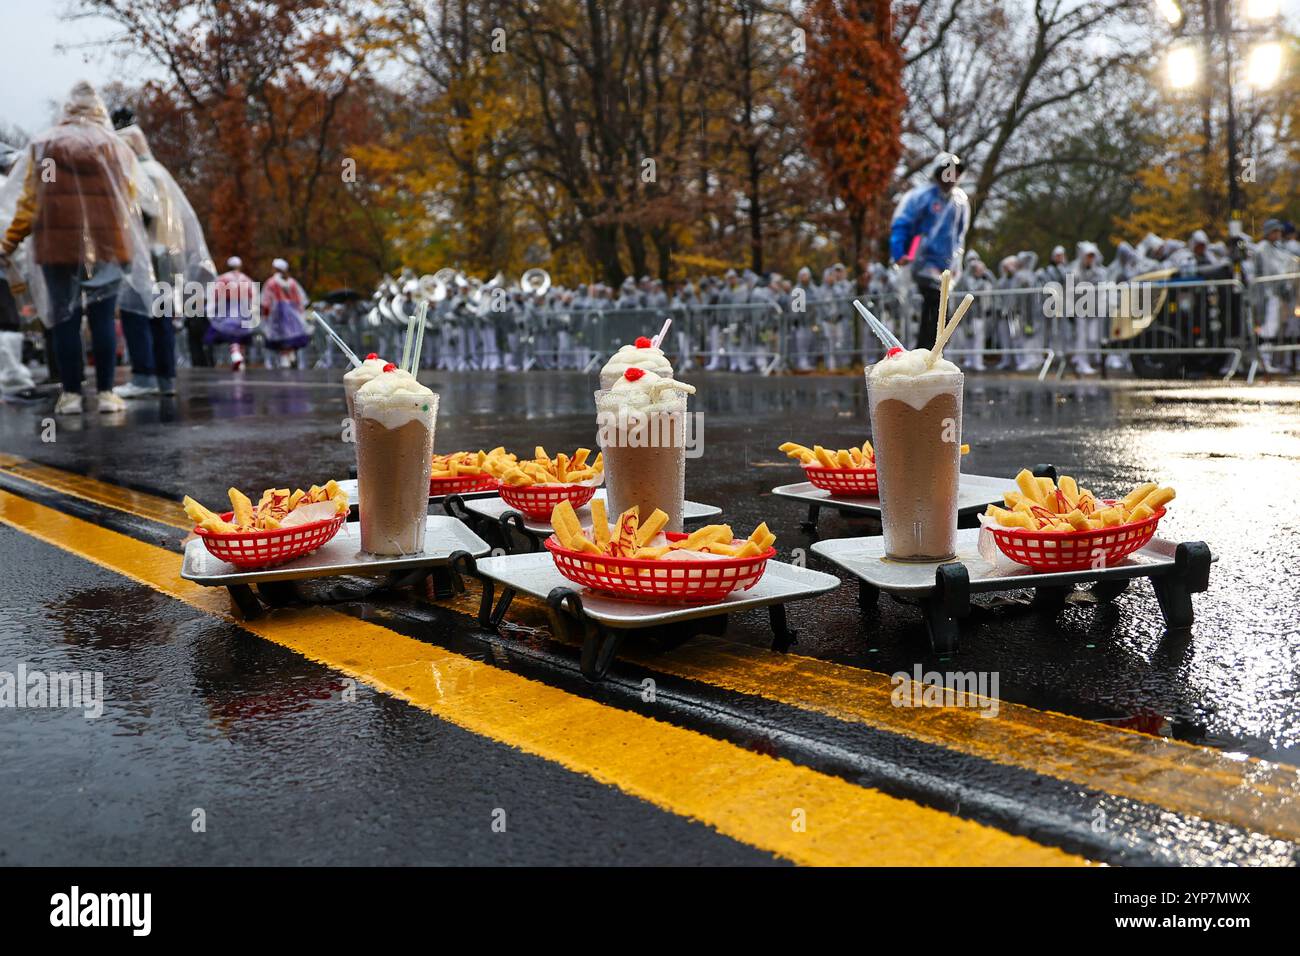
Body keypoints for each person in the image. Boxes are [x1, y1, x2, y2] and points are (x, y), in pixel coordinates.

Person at [0, 81, 154, 414]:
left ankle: (70, 394)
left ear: (65, 111)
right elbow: (129, 199)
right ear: (99, 110)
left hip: (57, 246)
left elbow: (31, 202)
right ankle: (106, 394)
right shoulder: (114, 147)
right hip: (107, 246)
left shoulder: (45, 147)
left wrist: (9, 241)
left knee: (65, 320)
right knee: (101, 318)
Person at [111, 114, 216, 397]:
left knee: (137, 313)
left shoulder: (140, 174)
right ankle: (166, 377)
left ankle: (144, 376)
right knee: (162, 317)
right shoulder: (160, 172)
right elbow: (184, 218)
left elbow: (145, 213)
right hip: (168, 255)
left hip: (146, 255)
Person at [889, 152, 971, 351]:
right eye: (947, 172)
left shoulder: (960, 202)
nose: (951, 177)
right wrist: (899, 253)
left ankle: (930, 353)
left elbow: (959, 237)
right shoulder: (921, 197)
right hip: (920, 264)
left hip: (944, 269)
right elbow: (902, 225)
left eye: (955, 173)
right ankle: (922, 352)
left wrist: (956, 266)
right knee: (930, 308)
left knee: (939, 313)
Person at [1253, 219, 1299, 373]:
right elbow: (1270, 271)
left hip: (1276, 294)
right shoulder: (1262, 249)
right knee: (1268, 328)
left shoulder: (1276, 248)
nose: (1279, 234)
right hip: (1267, 294)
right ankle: (1264, 361)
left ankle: (1268, 361)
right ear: (1269, 232)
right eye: (1276, 231)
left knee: (1275, 329)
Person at [207, 256, 257, 369]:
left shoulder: (222, 279)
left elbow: (215, 296)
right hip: (243, 310)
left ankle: (236, 356)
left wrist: (212, 311)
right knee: (240, 335)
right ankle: (239, 358)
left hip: (227, 309)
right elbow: (252, 296)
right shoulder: (246, 279)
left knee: (232, 336)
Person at [261, 258, 310, 368]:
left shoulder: (272, 282)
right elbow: (301, 300)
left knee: (281, 337)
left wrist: (265, 313)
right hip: (293, 314)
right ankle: (291, 355)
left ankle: (285, 359)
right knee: (291, 335)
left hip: (278, 314)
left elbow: (266, 300)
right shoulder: (292, 282)